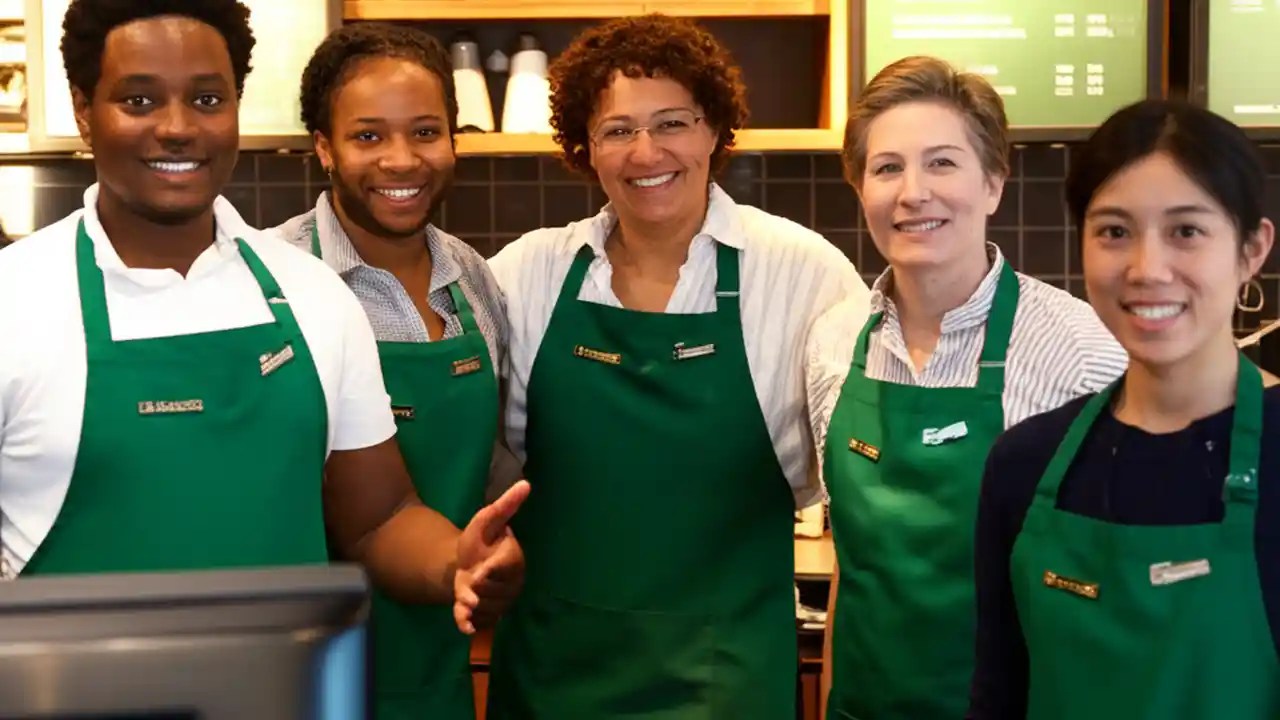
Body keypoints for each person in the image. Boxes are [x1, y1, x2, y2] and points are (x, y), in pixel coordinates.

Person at [0, 0, 526, 632]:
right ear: (85, 111)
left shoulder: (312, 294)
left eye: (207, 99)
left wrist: (455, 564)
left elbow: (381, 516)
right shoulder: (16, 299)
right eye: (139, 101)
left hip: (278, 692)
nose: (177, 127)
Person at [484, 13, 868, 719]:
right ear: (585, 148)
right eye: (617, 130)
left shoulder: (801, 274)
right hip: (552, 673)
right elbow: (483, 458)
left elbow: (857, 479)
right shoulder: (525, 274)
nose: (646, 151)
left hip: (726, 678)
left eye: (673, 122)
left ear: (715, 130)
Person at [806, 55, 1128, 719]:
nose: (913, 192)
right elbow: (852, 570)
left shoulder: (1081, 351)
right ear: (860, 188)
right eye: (887, 167)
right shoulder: (834, 343)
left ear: (993, 185)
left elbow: (1114, 585)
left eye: (943, 162)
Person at [969, 100, 1280, 719]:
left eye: (1186, 231)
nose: (1147, 269)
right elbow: (998, 696)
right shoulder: (1023, 466)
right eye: (1114, 231)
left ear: (1251, 250)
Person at [270, 23, 511, 720]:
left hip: (439, 643)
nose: (402, 160)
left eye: (426, 131)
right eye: (368, 136)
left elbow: (490, 456)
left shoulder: (474, 280)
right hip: (305, 665)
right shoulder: (275, 282)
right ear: (324, 148)